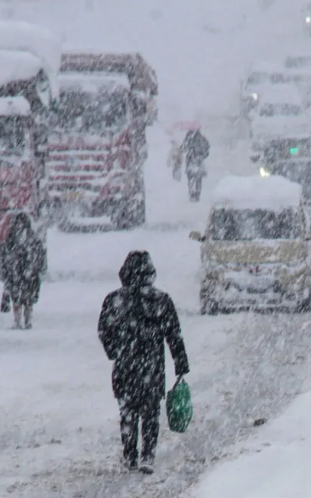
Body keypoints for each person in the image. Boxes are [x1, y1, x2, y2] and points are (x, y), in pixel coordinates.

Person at [98, 251, 190, 474]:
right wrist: (180, 364)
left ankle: (130, 454)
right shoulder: (161, 300)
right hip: (152, 365)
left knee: (128, 410)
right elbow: (173, 335)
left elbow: (103, 330)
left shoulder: (114, 300)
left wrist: (115, 351)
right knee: (150, 412)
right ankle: (147, 454)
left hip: (125, 366)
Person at [0, 213, 46, 330]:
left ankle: (27, 321)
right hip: (20, 273)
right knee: (18, 299)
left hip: (25, 274)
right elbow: (5, 256)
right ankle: (19, 321)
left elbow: (39, 256)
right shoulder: (16, 238)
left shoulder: (30, 239)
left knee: (26, 301)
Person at [180, 128, 211, 202]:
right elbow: (207, 149)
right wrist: (202, 156)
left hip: (192, 161)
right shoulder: (201, 139)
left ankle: (192, 193)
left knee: (192, 178)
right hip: (197, 162)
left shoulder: (189, 138)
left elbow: (183, 148)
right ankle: (196, 194)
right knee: (198, 179)